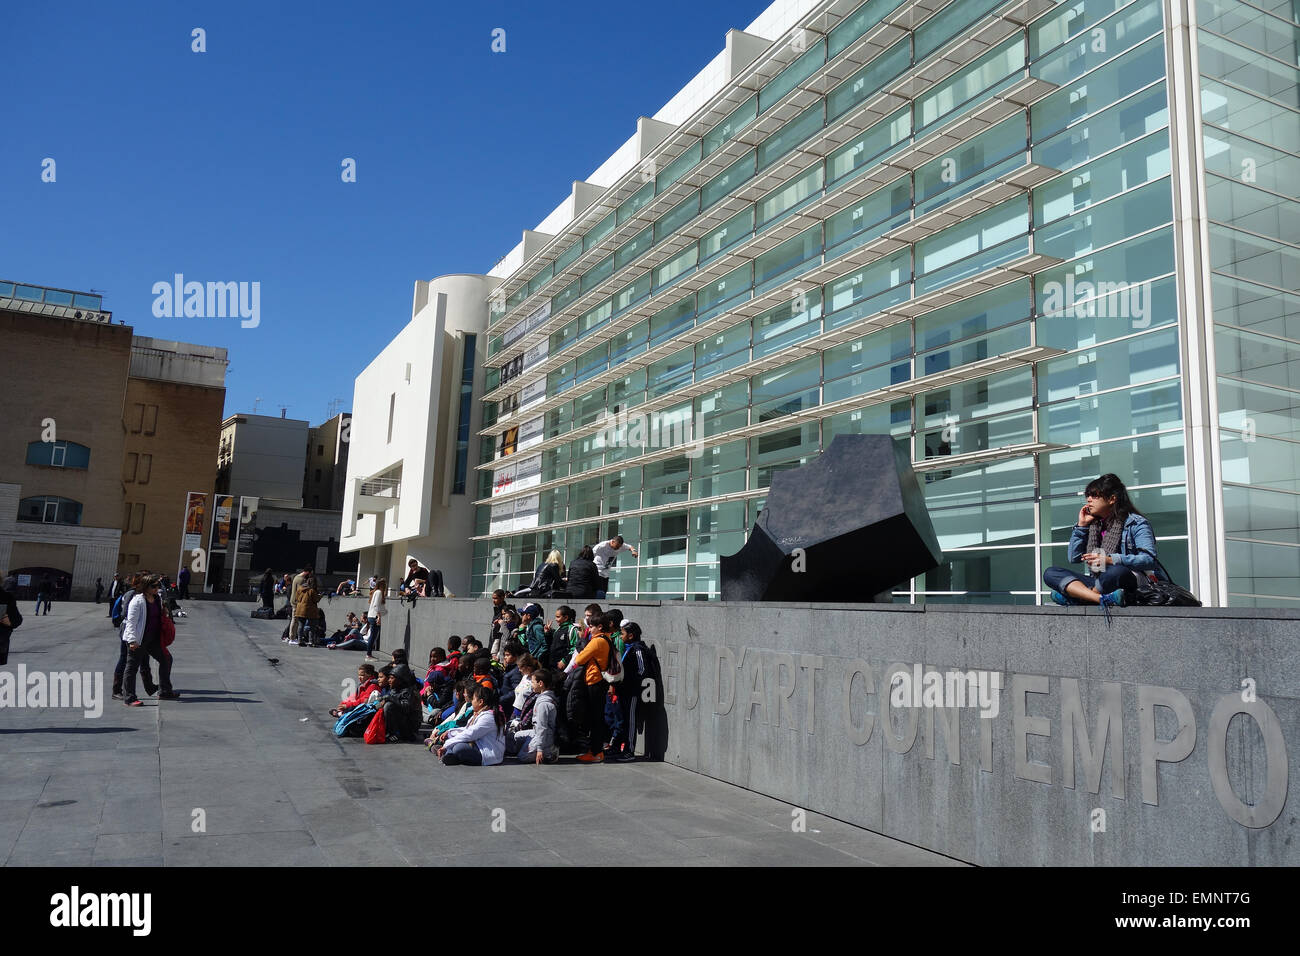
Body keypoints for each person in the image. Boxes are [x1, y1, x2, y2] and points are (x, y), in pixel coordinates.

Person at [1042, 473, 1166, 609]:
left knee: (1115, 571)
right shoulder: (1093, 524)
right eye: (1088, 496)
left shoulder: (1136, 523)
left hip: (1129, 580)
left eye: (1094, 496)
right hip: (1099, 582)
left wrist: (1109, 560)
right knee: (1050, 573)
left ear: (1112, 499)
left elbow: (1149, 559)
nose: (1089, 500)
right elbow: (1074, 557)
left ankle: (1080, 597)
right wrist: (1081, 526)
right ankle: (1100, 598)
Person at [564, 610, 618, 763]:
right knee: (596, 718)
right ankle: (595, 750)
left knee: (595, 719)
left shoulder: (597, 640)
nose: (590, 629)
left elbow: (580, 659)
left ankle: (596, 752)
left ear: (600, 627)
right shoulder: (607, 638)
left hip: (594, 681)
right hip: (599, 681)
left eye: (592, 626)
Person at [121, 574, 180, 706]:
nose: (157, 588)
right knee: (132, 667)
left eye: (158, 586)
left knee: (166, 659)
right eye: (153, 586)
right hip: (138, 639)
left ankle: (164, 690)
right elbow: (131, 622)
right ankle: (129, 697)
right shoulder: (137, 601)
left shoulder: (157, 598)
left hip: (153, 639)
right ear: (145, 587)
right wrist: (131, 640)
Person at [436, 684, 505, 766]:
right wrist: (450, 732)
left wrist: (447, 745)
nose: (472, 701)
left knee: (459, 747)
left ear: (480, 702)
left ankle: (449, 754)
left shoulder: (489, 717)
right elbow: (467, 729)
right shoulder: (479, 713)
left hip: (488, 754)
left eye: (473, 699)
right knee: (452, 740)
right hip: (477, 745)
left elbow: (471, 734)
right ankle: (450, 754)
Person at [112, 573, 153, 699]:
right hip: (129, 632)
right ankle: (117, 690)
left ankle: (150, 687)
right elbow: (125, 613)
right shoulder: (132, 594)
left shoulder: (144, 595)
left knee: (144, 660)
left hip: (141, 633)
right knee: (125, 659)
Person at [516, 668, 560, 764]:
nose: (531, 685)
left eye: (532, 682)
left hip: (544, 736)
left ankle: (548, 752)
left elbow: (542, 727)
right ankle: (532, 745)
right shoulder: (541, 698)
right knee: (516, 736)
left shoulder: (543, 704)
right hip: (536, 732)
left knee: (522, 757)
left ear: (540, 683)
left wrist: (539, 749)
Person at [293, 574, 323, 647]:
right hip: (310, 610)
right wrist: (320, 595)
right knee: (312, 626)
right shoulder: (311, 590)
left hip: (300, 610)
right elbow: (316, 599)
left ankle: (300, 640)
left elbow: (296, 598)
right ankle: (311, 641)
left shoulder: (300, 589)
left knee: (301, 625)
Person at [0, 575, 22, 666]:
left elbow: (16, 619)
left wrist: (10, 622)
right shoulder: (6, 597)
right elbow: (17, 620)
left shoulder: (6, 597)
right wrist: (10, 623)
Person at [288, 565, 313, 644]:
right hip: (297, 602)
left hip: (293, 600)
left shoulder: (296, 577)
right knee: (295, 620)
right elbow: (301, 591)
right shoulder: (301, 580)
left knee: (294, 620)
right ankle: (292, 638)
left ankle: (292, 637)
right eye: (310, 573)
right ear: (307, 572)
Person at [488, 589, 515, 658]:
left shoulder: (506, 610)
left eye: (496, 598)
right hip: (494, 639)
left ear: (502, 597)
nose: (494, 600)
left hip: (500, 642)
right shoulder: (497, 609)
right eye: (493, 598)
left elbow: (507, 630)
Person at [365, 577, 387, 659]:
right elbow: (376, 605)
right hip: (374, 616)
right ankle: (368, 654)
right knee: (373, 636)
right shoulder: (378, 592)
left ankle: (369, 654)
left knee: (373, 636)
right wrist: (379, 617)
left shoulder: (376, 592)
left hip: (372, 616)